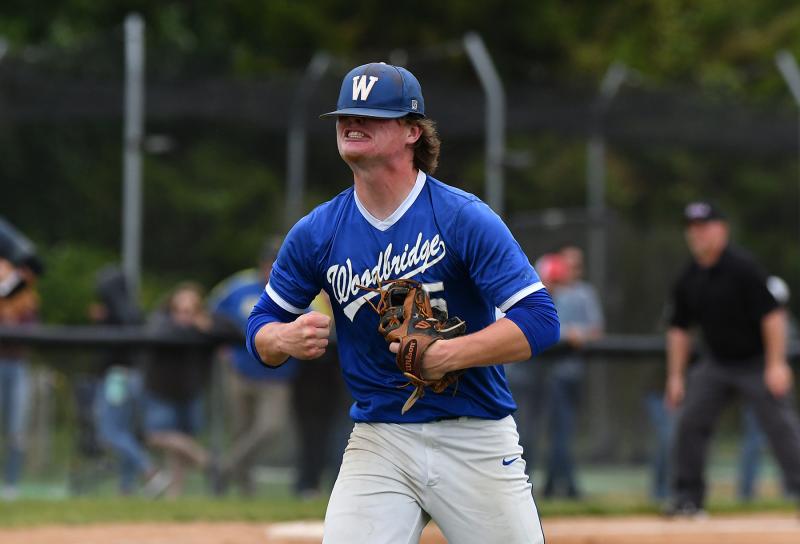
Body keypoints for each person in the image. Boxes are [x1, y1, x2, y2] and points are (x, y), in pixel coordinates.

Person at [247, 62, 560, 543]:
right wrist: (282, 337)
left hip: (473, 433)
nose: (353, 123)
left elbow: (539, 320)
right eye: (345, 115)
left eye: (371, 116)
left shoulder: (461, 217)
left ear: (413, 131)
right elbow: (260, 329)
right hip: (381, 438)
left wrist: (448, 355)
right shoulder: (317, 233)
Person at [664, 201, 800, 516]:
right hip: (717, 362)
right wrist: (675, 377)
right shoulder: (690, 276)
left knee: (780, 426)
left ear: (721, 229)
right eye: (692, 229)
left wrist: (776, 364)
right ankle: (688, 498)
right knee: (690, 421)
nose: (697, 234)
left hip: (755, 361)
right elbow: (679, 330)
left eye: (704, 227)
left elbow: (773, 317)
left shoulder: (743, 268)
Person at [208, 237, 297, 496]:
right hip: (239, 371)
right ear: (262, 264)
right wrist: (222, 344)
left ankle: (225, 466)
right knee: (240, 429)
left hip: (277, 377)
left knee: (272, 427)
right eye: (271, 263)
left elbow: (322, 319)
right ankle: (246, 493)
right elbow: (211, 313)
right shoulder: (239, 286)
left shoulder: (300, 288)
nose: (274, 269)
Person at [142, 282, 228, 498]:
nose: (185, 315)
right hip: (160, 390)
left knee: (177, 451)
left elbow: (233, 330)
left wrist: (204, 326)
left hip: (190, 392)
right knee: (154, 435)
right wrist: (184, 325)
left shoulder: (206, 324)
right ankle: (208, 461)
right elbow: (156, 332)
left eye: (190, 309)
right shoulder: (161, 321)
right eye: (180, 309)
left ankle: (175, 496)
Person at [90, 265, 168, 497]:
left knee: (111, 431)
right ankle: (126, 487)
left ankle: (150, 471)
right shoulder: (133, 312)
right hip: (133, 377)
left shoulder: (116, 315)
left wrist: (102, 321)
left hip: (118, 378)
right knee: (124, 431)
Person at [541, 245, 603, 500]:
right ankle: (556, 486)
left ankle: (560, 485)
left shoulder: (585, 294)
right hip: (544, 375)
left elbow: (597, 330)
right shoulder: (549, 292)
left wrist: (580, 335)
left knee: (564, 432)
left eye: (575, 264)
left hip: (570, 374)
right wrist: (567, 334)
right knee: (547, 432)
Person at [0, 255, 38, 501]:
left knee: (16, 428)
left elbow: (33, 328)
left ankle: (11, 485)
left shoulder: (26, 298)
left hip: (18, 365)